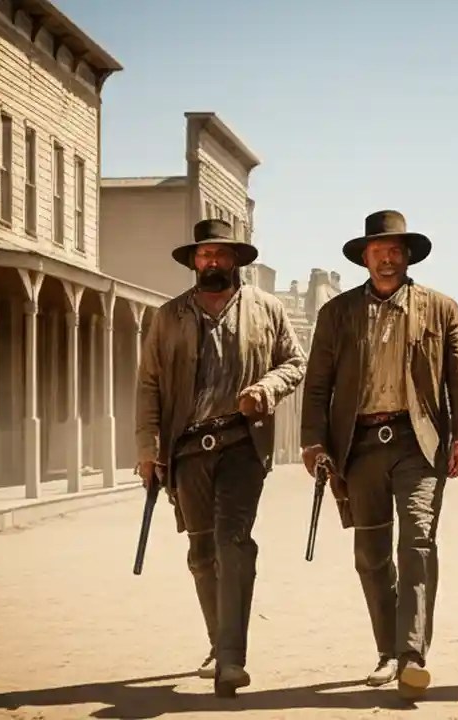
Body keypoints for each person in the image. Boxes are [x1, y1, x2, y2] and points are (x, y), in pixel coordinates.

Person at [300, 209, 458, 700]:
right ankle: (388, 651)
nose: (387, 259)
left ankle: (413, 655)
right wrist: (314, 443)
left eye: (395, 251)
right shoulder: (336, 315)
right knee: (371, 554)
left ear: (407, 257)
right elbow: (316, 387)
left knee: (418, 542)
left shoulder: (441, 308)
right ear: (365, 257)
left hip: (417, 444)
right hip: (358, 447)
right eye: (378, 251)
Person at [135, 218, 307, 697]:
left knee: (234, 543)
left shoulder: (267, 309)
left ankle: (232, 658)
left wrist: (266, 389)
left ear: (236, 260)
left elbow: (294, 363)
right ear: (194, 261)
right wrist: (148, 449)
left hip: (241, 444)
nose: (212, 262)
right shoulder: (168, 316)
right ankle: (218, 642)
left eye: (221, 255)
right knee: (202, 551)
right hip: (186, 449)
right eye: (204, 255)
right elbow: (148, 384)